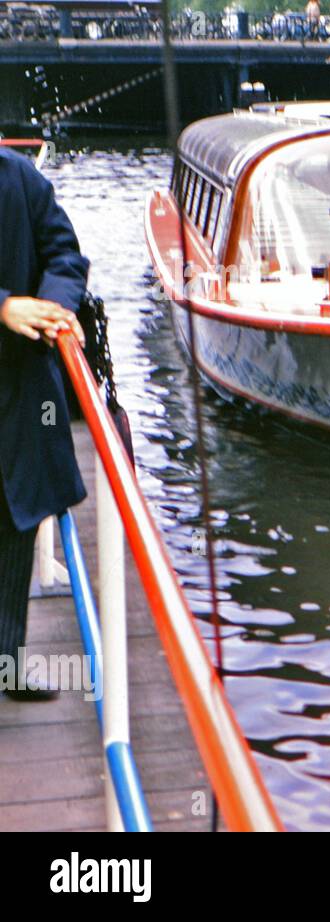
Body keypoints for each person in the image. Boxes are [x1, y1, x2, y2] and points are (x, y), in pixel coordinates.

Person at [0, 146, 88, 702]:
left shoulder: (21, 178)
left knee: (14, 523)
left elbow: (65, 254)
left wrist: (53, 307)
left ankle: (8, 665)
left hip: (19, 390)